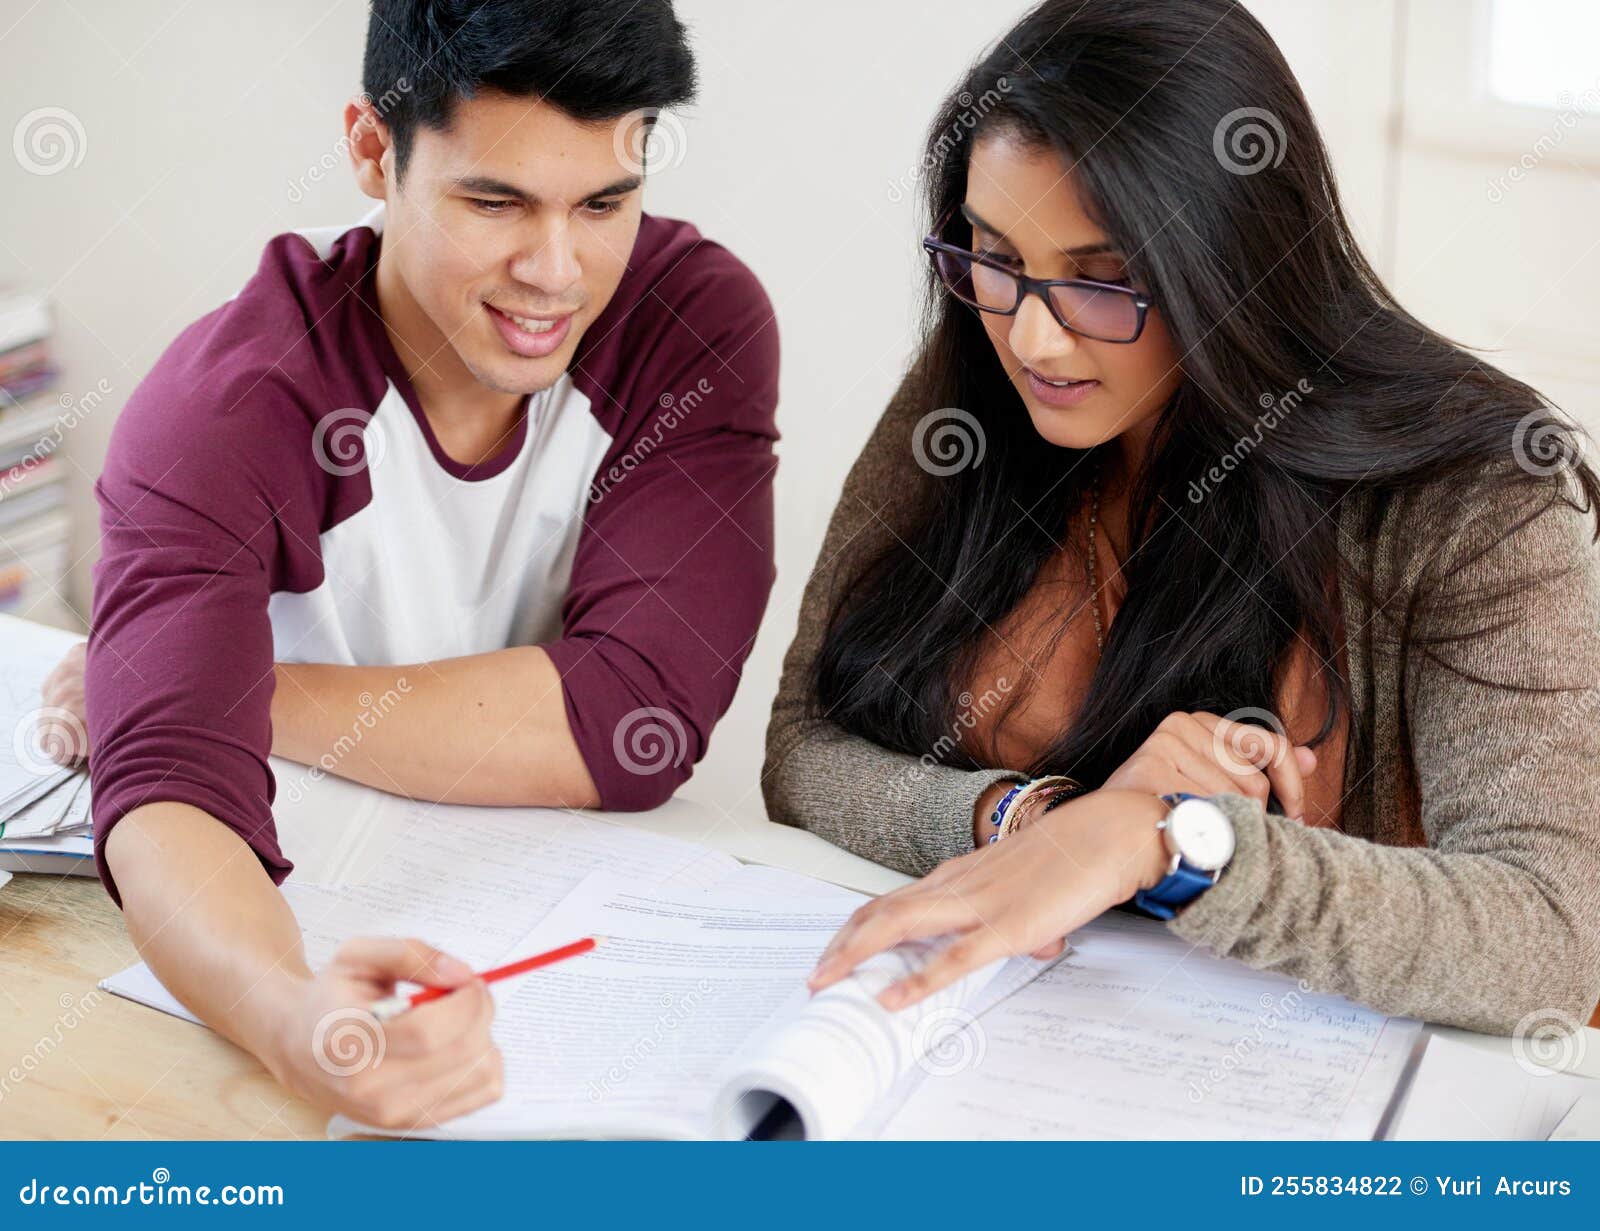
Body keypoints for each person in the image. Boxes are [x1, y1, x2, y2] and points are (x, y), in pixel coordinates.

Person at [765, 0, 1600, 1034]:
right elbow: (802, 748)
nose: (1032, 336)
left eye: (1104, 279)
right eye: (991, 252)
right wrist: (1036, 822)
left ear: (1234, 263)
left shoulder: (1475, 498)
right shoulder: (972, 393)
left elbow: (1552, 938)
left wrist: (1172, 841)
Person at [45, 0, 778, 1128]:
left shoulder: (688, 326)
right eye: (495, 201)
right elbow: (172, 793)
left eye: (604, 202)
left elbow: (638, 722)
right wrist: (296, 1024)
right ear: (373, 150)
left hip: (558, 942)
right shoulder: (226, 407)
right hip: (280, 921)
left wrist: (225, 694)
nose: (555, 271)